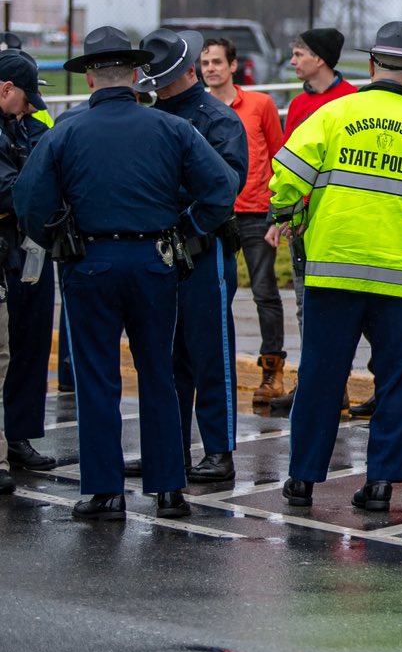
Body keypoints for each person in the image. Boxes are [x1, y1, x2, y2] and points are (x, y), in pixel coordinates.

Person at [16, 27, 240, 521]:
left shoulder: (66, 130)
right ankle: (168, 489)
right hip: (155, 260)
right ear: (137, 74)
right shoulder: (172, 128)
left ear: (91, 75)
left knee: (98, 377)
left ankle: (104, 491)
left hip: (90, 262)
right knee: (158, 372)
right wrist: (188, 229)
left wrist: (58, 238)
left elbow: (28, 202)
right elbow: (222, 188)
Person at [269, 21, 402, 512]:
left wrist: (288, 215)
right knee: (399, 383)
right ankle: (381, 484)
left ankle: (303, 479)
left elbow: (287, 172)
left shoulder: (335, 113)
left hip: (334, 268)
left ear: (371, 66)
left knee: (322, 376)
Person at [137, 28, 249, 486]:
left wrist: (186, 225)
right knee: (163, 357)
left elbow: (228, 186)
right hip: (158, 248)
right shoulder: (151, 117)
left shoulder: (217, 119)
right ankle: (170, 449)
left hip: (204, 248)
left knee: (210, 353)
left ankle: (219, 452)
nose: (158, 89)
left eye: (164, 80)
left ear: (187, 72)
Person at [202, 36, 290, 409]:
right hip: (214, 215)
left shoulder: (259, 104)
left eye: (217, 62)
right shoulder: (200, 108)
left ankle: (273, 371)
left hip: (256, 213)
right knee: (213, 294)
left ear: (233, 66)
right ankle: (215, 365)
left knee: (264, 292)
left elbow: (278, 155)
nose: (210, 69)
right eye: (205, 63)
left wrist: (278, 214)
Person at [0, 51, 55, 480]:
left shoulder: (34, 125)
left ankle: (18, 436)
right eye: (27, 96)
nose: (34, 105)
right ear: (6, 90)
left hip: (32, 249)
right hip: (5, 246)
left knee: (31, 344)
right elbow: (11, 192)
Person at [282, 27, 353, 140]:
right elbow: (287, 151)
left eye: (299, 55)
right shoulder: (297, 103)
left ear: (319, 60)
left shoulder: (352, 98)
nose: (292, 61)